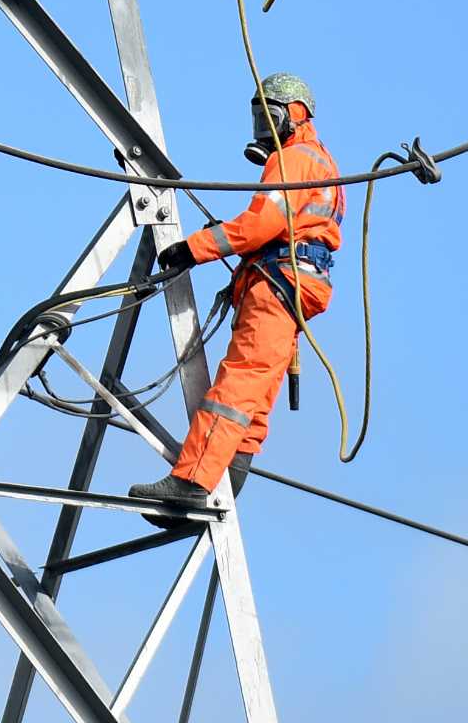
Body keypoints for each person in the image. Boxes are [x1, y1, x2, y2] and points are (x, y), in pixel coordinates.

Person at [126, 72, 344, 524]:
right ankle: (223, 487)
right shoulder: (323, 164)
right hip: (293, 288)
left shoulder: (293, 160)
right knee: (255, 400)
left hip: (277, 287)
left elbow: (261, 226)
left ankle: (192, 480)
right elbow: (284, 230)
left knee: (238, 385)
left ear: (294, 114)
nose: (262, 128)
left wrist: (193, 249)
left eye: (270, 116)